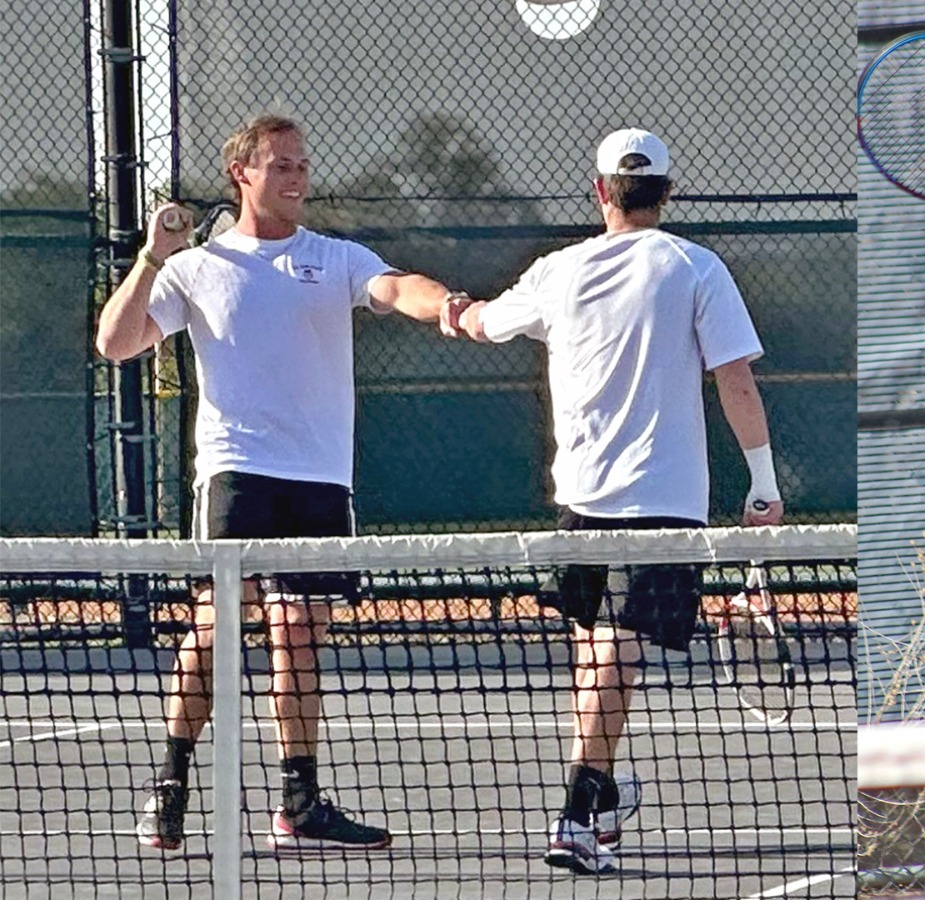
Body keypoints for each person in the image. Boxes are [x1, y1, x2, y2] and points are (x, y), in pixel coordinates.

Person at [95, 114, 466, 852]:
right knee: (215, 628)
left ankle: (299, 802)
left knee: (298, 632)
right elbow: (116, 343)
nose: (298, 178)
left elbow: (397, 289)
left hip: (320, 480)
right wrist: (151, 257)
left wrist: (449, 305)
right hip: (237, 474)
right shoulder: (195, 269)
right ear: (243, 174)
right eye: (282, 166)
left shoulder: (335, 257)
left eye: (302, 165)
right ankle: (172, 778)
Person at [441, 127, 785, 874]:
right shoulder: (698, 267)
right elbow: (736, 380)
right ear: (667, 193)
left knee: (599, 653)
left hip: (584, 506)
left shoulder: (556, 271)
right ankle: (575, 814)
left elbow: (478, 324)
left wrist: (452, 307)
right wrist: (762, 481)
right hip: (663, 507)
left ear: (599, 192)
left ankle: (593, 797)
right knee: (614, 656)